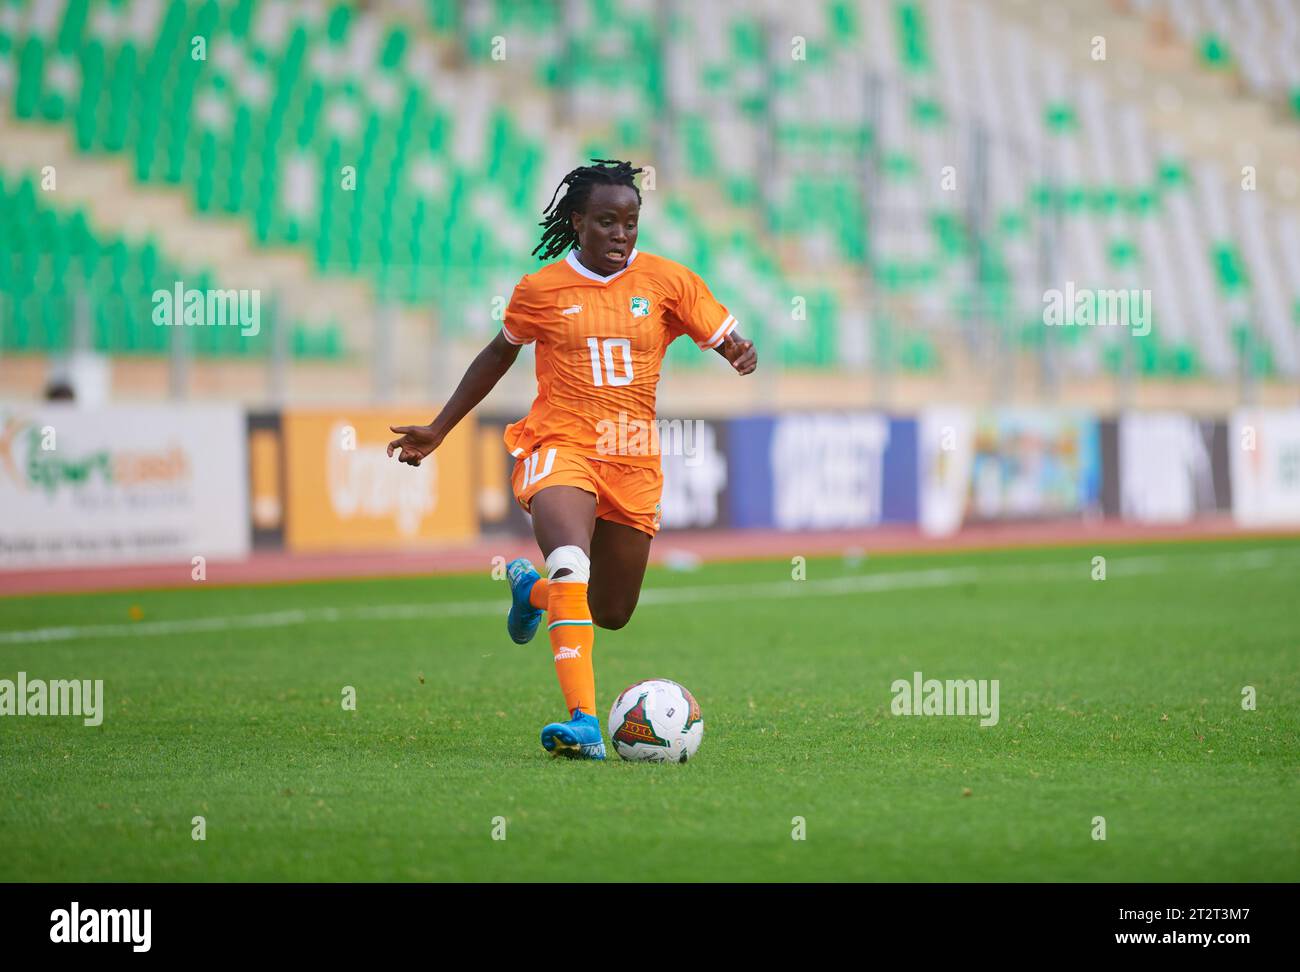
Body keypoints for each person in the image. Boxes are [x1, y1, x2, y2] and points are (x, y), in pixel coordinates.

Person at [387, 160, 757, 759]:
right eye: (607, 222)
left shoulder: (668, 282)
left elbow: (722, 332)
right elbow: (496, 354)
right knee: (570, 566)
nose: (620, 234)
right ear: (577, 221)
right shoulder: (541, 290)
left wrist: (738, 350)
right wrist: (438, 428)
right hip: (559, 447)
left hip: (632, 460)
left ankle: (529, 593)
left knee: (610, 611)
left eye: (631, 223)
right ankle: (584, 722)